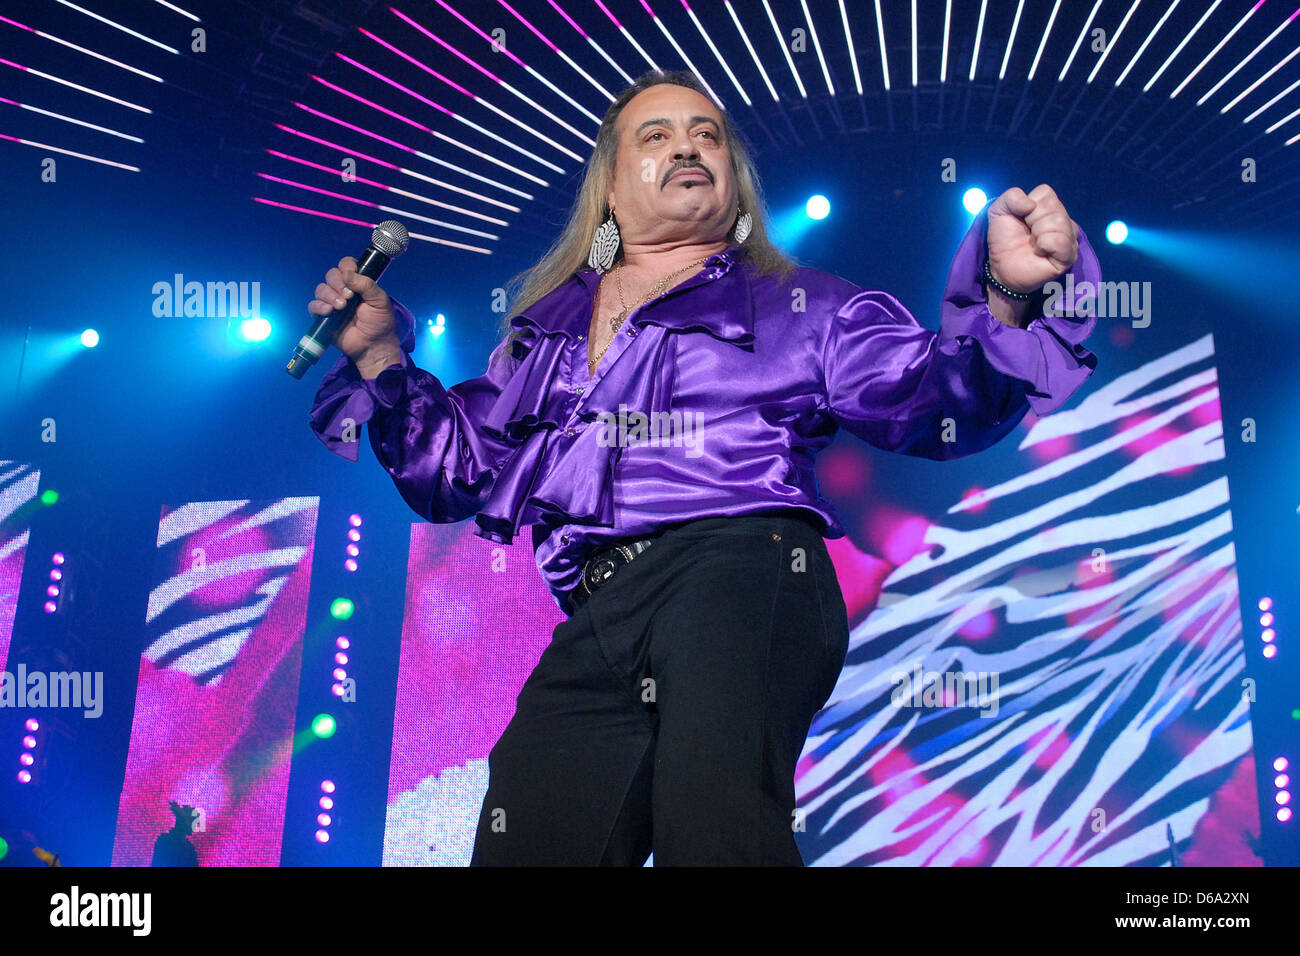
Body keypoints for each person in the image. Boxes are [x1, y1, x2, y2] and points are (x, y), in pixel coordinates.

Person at [308, 69, 1099, 866]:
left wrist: (1006, 297)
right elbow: (459, 474)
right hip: (599, 606)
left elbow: (938, 398)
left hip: (743, 568)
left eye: (706, 133)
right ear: (611, 189)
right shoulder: (544, 336)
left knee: (714, 827)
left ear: (734, 181)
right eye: (656, 136)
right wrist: (379, 356)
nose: (687, 145)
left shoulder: (802, 304)